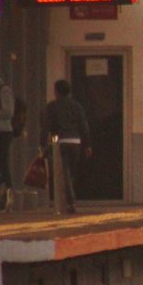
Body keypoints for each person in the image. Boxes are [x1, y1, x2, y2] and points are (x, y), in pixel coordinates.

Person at [42, 79, 91, 214]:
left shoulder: (52, 106)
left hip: (60, 141)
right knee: (70, 173)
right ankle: (68, 200)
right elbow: (84, 125)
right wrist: (87, 145)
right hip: (76, 141)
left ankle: (70, 202)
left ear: (56, 91)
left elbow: (47, 127)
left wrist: (44, 144)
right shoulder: (77, 106)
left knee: (64, 173)